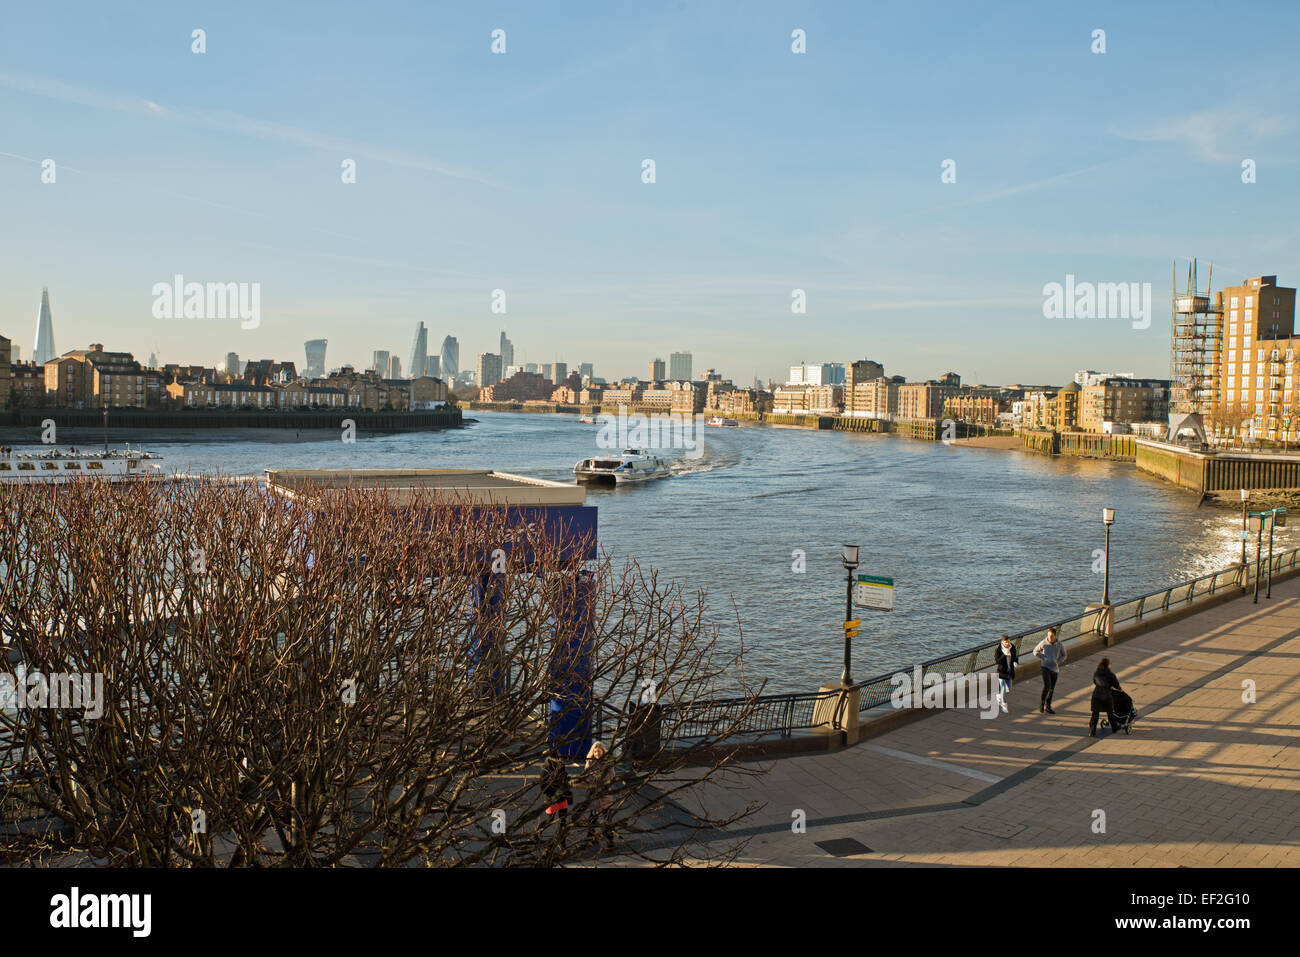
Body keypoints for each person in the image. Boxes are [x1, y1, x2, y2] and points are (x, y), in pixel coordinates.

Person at [582, 740, 616, 851]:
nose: (597, 754)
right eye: (595, 752)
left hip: (605, 795)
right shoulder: (590, 762)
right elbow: (586, 777)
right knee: (593, 818)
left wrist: (600, 780)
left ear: (603, 751)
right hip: (594, 795)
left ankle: (610, 840)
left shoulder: (608, 763)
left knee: (606, 819)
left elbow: (612, 776)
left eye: (599, 751)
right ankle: (590, 838)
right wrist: (594, 780)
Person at [536, 753, 573, 848]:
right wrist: (549, 796)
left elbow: (564, 778)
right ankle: (537, 834)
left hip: (562, 796)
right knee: (550, 819)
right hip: (552, 798)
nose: (560, 759)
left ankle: (562, 842)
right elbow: (542, 784)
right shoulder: (547, 768)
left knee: (563, 820)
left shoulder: (561, 765)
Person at [1033, 627, 1067, 714]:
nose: (1049, 638)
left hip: (1055, 669)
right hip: (1045, 667)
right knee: (1047, 686)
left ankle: (1048, 707)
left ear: (1055, 635)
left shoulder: (1059, 644)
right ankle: (1041, 705)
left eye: (1051, 636)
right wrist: (1043, 657)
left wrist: (1058, 661)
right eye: (1048, 636)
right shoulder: (1044, 642)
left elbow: (1064, 655)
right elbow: (1035, 651)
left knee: (1051, 689)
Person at [1090, 657, 1122, 737]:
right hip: (1106, 696)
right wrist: (1120, 689)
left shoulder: (1097, 673)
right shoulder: (1110, 674)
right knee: (1110, 712)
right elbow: (1116, 685)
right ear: (1108, 665)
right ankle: (1114, 727)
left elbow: (1094, 681)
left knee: (1095, 714)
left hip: (1096, 695)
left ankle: (1092, 731)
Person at [994, 634, 1018, 713]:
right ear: (1002, 642)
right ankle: (1004, 705)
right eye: (1006, 642)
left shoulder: (1012, 647)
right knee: (1003, 688)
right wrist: (1004, 655)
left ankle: (999, 696)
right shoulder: (998, 650)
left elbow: (1015, 656)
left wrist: (1015, 662)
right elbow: (997, 661)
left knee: (1009, 689)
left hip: (1009, 672)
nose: (1007, 643)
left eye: (1008, 642)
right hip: (1001, 672)